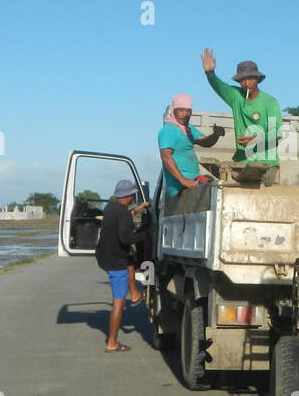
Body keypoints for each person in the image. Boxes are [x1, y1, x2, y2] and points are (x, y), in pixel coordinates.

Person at [201, 49, 282, 166]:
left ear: (258, 79)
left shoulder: (270, 102)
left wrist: (256, 140)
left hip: (266, 161)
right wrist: (210, 74)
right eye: (243, 79)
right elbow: (220, 87)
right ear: (239, 81)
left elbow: (276, 133)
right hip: (243, 161)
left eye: (251, 78)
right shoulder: (236, 97)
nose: (247, 83)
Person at [96, 178, 150, 352]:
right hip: (115, 261)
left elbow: (122, 218)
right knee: (118, 302)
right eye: (133, 194)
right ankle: (112, 342)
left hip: (106, 255)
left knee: (131, 262)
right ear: (128, 195)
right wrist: (144, 235)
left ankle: (134, 294)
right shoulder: (123, 213)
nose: (134, 196)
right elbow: (125, 238)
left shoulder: (111, 208)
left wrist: (135, 211)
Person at [158, 92, 224, 197]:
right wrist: (183, 180)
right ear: (174, 110)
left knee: (218, 186)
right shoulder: (169, 130)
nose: (185, 114)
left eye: (188, 110)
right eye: (181, 110)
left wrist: (215, 135)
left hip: (193, 179)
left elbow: (205, 142)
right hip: (180, 185)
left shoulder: (188, 128)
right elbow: (165, 157)